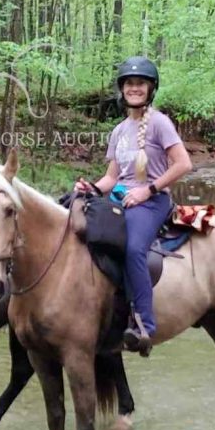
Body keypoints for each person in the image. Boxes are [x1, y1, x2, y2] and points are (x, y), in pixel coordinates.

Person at [75, 57, 192, 356]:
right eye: (129, 83)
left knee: (133, 249)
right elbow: (112, 178)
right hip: (120, 198)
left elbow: (183, 163)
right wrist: (89, 189)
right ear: (122, 89)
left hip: (152, 201)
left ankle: (144, 324)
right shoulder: (118, 131)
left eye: (140, 83)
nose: (134, 88)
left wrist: (148, 189)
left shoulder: (159, 123)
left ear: (151, 88)